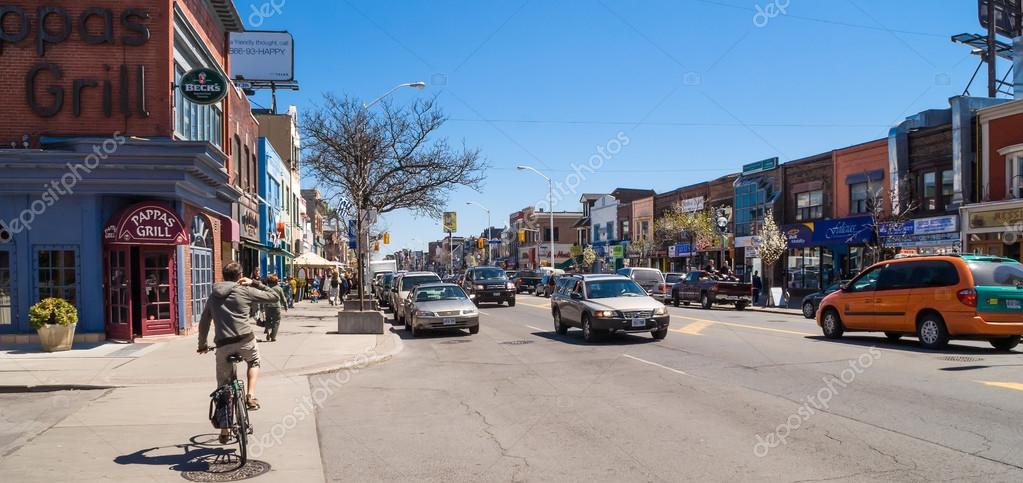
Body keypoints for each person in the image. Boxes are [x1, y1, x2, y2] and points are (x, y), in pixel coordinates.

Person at [197, 262, 280, 444]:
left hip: (223, 344)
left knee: (223, 386)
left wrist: (202, 344)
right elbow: (274, 296)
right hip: (245, 340)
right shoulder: (245, 290)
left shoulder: (213, 296)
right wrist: (254, 283)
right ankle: (250, 395)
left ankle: (225, 430)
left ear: (223, 275)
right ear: (239, 276)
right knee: (254, 361)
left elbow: (204, 321)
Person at [262, 274, 289, 342]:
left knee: (268, 319)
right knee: (276, 321)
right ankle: (273, 336)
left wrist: (262, 307)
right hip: (276, 306)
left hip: (267, 306)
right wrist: (286, 306)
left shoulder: (266, 288)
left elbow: (262, 297)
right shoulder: (279, 288)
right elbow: (283, 298)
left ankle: (267, 330)